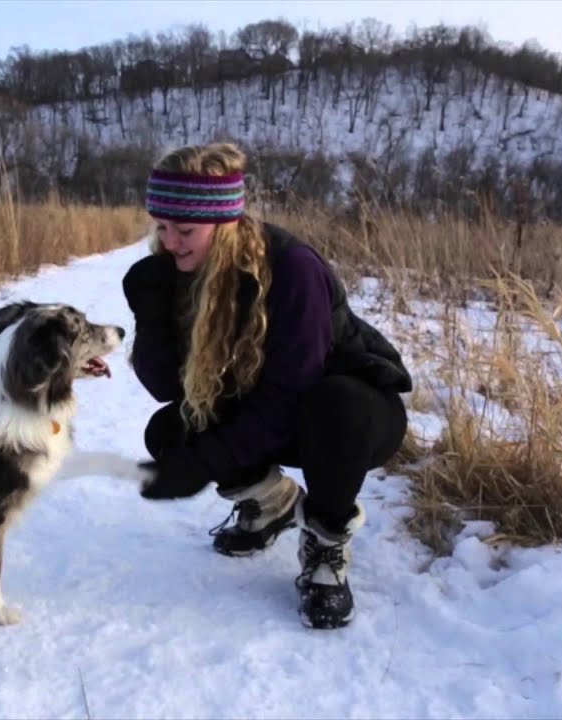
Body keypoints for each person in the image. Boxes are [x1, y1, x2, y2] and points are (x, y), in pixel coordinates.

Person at [122, 142, 412, 630]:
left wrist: (207, 462)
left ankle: (325, 545)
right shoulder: (180, 269)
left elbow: (292, 391)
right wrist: (150, 315)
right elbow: (167, 388)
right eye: (162, 227)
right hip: (276, 409)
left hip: (351, 416)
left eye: (185, 229)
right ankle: (272, 504)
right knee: (170, 432)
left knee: (336, 404)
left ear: (224, 221)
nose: (170, 242)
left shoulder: (292, 267)